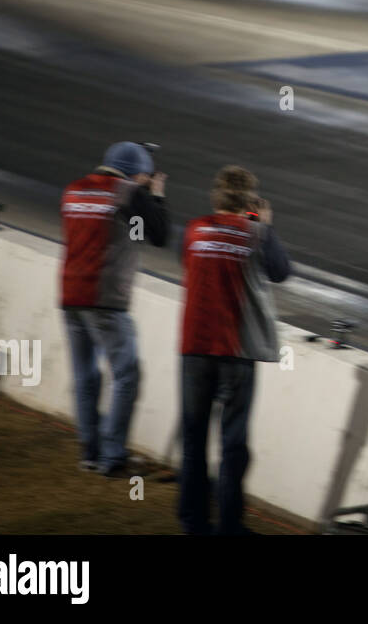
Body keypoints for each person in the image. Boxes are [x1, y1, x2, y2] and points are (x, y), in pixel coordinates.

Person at [178, 166, 290, 535]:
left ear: (215, 196)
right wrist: (266, 224)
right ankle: (229, 525)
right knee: (233, 443)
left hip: (194, 348)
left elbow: (190, 265)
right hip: (235, 351)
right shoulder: (255, 233)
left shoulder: (193, 230)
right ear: (249, 202)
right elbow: (280, 271)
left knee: (194, 440)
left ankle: (193, 522)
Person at [60, 141, 168, 478]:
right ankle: (112, 456)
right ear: (137, 174)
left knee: (86, 375)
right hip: (105, 300)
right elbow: (160, 235)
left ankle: (90, 453)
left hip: (69, 294)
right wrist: (156, 196)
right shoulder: (128, 193)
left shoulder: (73, 190)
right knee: (126, 375)